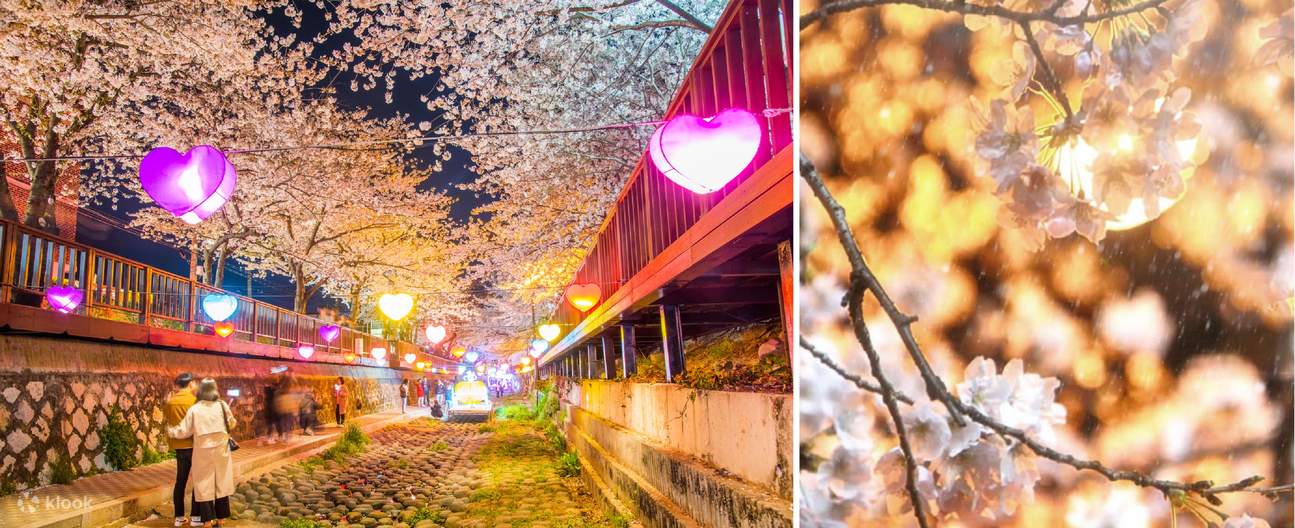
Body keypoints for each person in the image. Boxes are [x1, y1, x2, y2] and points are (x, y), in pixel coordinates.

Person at [168, 379, 236, 528]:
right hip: (221, 450)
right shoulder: (222, 405)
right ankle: (221, 519)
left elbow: (184, 430)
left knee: (203, 484)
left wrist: (171, 431)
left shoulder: (195, 409)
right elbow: (231, 423)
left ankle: (206, 520)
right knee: (221, 481)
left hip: (203, 451)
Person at [164, 373, 199, 527]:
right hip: (195, 446)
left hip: (179, 447)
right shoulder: (194, 401)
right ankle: (196, 517)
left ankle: (179, 517)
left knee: (180, 482)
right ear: (190, 384)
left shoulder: (170, 402)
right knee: (198, 482)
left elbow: (168, 419)